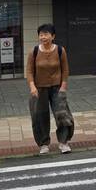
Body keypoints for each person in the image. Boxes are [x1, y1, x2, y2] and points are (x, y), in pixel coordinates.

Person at [27, 23, 74, 154]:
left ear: (53, 36)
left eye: (46, 34)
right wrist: (32, 86)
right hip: (39, 89)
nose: (43, 37)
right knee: (39, 116)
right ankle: (43, 144)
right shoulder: (34, 51)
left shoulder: (60, 50)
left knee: (62, 114)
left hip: (57, 88)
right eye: (41, 35)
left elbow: (65, 70)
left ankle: (63, 142)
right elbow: (29, 71)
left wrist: (63, 86)